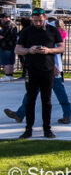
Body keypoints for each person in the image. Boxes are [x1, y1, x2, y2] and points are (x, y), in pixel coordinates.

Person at [14, 7, 65, 138]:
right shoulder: (26, 31)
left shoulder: (53, 31)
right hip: (31, 70)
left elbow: (61, 48)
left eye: (40, 21)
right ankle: (28, 129)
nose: (37, 23)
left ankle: (47, 129)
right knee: (30, 100)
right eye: (35, 20)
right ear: (32, 18)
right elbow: (17, 49)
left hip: (47, 70)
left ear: (45, 18)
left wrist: (49, 50)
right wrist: (29, 50)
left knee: (46, 101)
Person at [0, 12, 18, 81]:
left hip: (6, 45)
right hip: (12, 45)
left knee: (6, 61)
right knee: (11, 61)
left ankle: (7, 75)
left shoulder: (7, 25)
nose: (1, 20)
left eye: (2, 18)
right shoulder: (13, 24)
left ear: (5, 18)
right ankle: (10, 75)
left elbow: (2, 36)